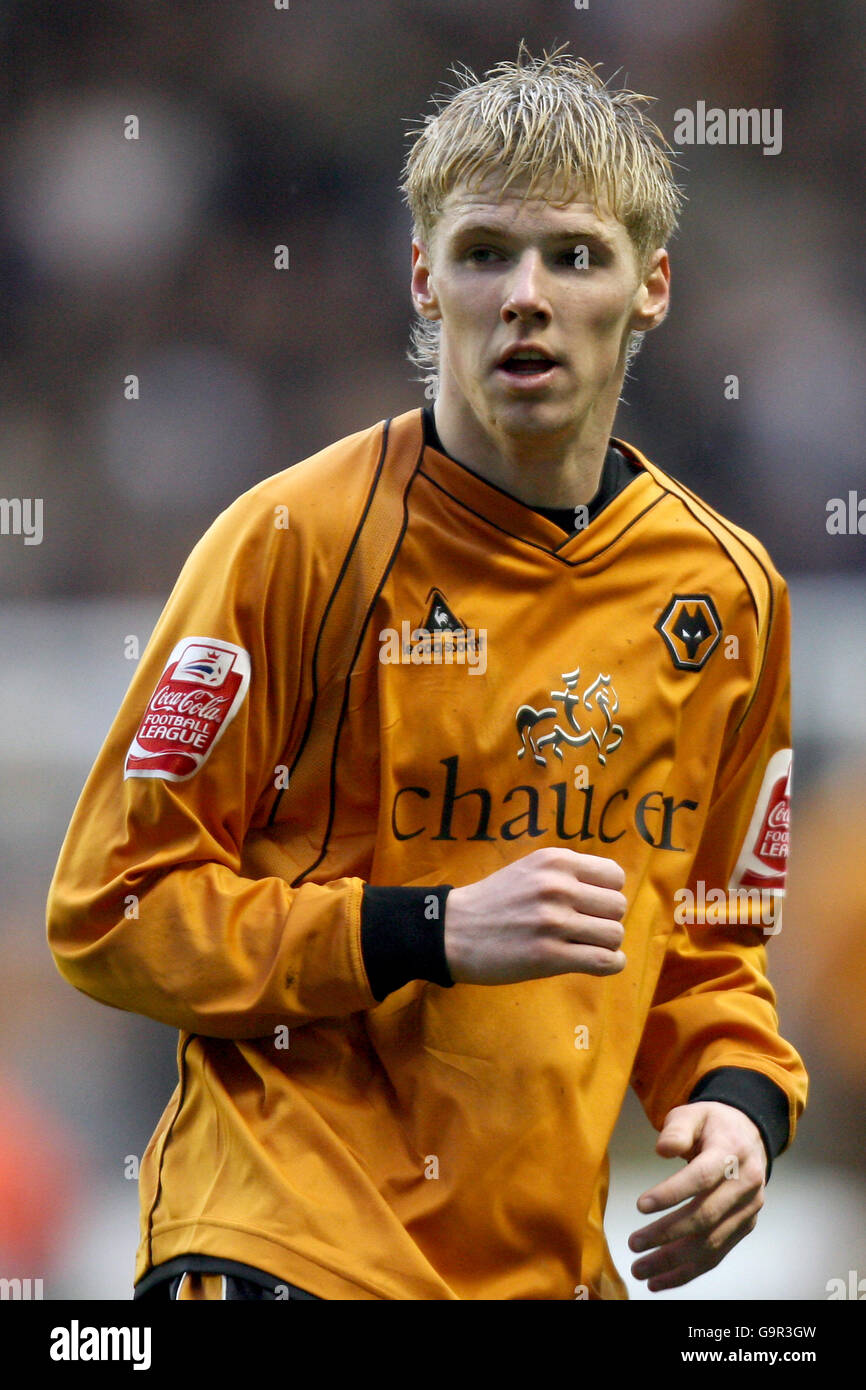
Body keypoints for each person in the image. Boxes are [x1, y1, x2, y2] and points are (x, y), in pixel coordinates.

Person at [46, 45, 807, 1301]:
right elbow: (113, 909)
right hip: (281, 1242)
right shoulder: (290, 543)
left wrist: (734, 1105)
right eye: (483, 253)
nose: (525, 297)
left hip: (540, 1267)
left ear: (650, 286)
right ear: (422, 276)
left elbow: (711, 945)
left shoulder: (727, 595)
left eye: (573, 256)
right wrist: (430, 929)